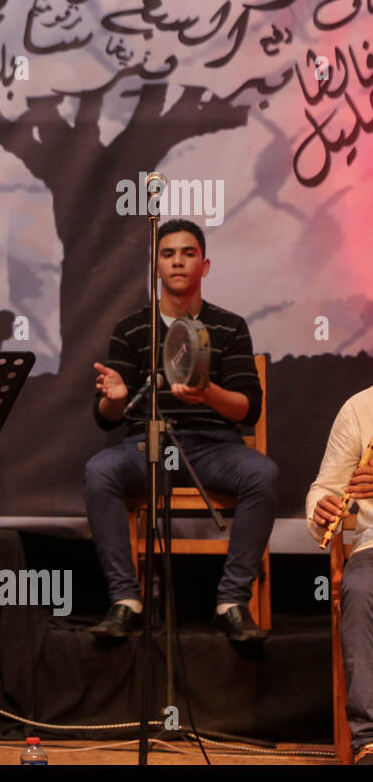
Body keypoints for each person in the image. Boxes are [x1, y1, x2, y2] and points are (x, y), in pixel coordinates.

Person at [86, 219, 276, 641]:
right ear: (156, 266)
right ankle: (125, 599)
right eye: (168, 254)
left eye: (188, 254)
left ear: (204, 265)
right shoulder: (132, 327)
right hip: (145, 445)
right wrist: (115, 396)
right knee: (100, 471)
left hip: (213, 447)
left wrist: (208, 394)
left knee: (262, 475)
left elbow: (249, 408)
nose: (177, 262)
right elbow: (106, 417)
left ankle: (231, 602)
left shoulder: (229, 327)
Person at [306, 387, 373, 764]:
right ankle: (370, 741)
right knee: (360, 586)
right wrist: (321, 508)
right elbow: (326, 487)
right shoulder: (361, 408)